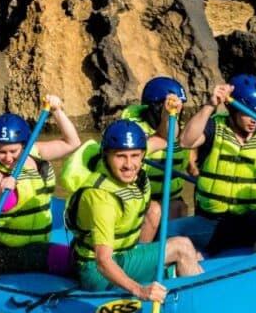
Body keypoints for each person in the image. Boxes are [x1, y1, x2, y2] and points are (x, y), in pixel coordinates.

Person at [65, 119, 203, 303]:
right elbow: (103, 261)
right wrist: (140, 290)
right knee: (182, 247)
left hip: (125, 255)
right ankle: (200, 308)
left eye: (135, 155)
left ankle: (187, 296)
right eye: (120, 156)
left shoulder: (134, 165)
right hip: (97, 274)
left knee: (190, 254)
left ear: (143, 154)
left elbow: (164, 137)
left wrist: (167, 111)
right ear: (105, 155)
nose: (129, 165)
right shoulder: (101, 198)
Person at [175, 74, 256, 253]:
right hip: (211, 222)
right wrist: (210, 105)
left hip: (250, 220)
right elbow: (186, 142)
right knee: (169, 232)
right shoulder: (212, 127)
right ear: (232, 109)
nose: (254, 119)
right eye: (247, 114)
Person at [0, 95, 81, 274]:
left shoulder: (35, 151)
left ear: (24, 145)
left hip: (38, 245)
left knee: (83, 251)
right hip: (6, 252)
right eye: (1, 152)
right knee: (78, 263)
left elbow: (72, 142)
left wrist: (57, 111)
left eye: (13, 151)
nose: (8, 158)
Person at [120, 76, 195, 243]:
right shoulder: (130, 132)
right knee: (154, 210)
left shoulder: (183, 135)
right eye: (171, 106)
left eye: (179, 106)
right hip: (134, 200)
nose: (177, 110)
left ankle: (168, 252)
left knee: (179, 207)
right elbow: (162, 137)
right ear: (155, 107)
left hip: (169, 201)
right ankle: (139, 255)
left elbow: (193, 168)